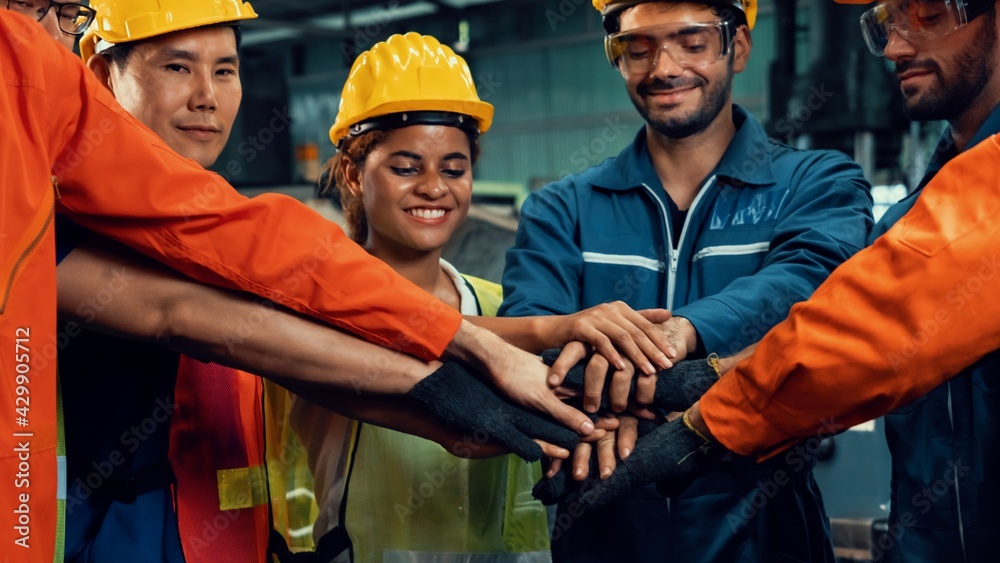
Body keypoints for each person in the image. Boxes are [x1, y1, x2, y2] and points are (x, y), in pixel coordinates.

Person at [0, 5, 605, 561]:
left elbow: (298, 334)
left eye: (227, 70)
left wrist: (471, 386)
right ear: (102, 75)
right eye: (178, 66)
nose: (206, 98)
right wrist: (445, 377)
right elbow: (195, 315)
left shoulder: (225, 228)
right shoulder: (40, 217)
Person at [578, 2, 1000, 561]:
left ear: (740, 45)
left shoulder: (820, 180)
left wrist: (703, 403)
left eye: (928, 15)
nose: (897, 48)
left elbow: (864, 326)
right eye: (886, 25)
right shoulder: (911, 216)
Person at [501, 0, 874, 561]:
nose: (664, 67)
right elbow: (529, 336)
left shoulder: (818, 182)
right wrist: (626, 405)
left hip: (767, 529)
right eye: (638, 47)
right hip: (603, 525)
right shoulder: (561, 209)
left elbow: (810, 281)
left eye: (692, 41)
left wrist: (685, 331)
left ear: (739, 47)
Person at [290, 33, 552, 562]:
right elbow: (391, 336)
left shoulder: (500, 307)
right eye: (406, 168)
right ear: (351, 172)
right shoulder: (315, 303)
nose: (434, 187)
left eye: (454, 169)